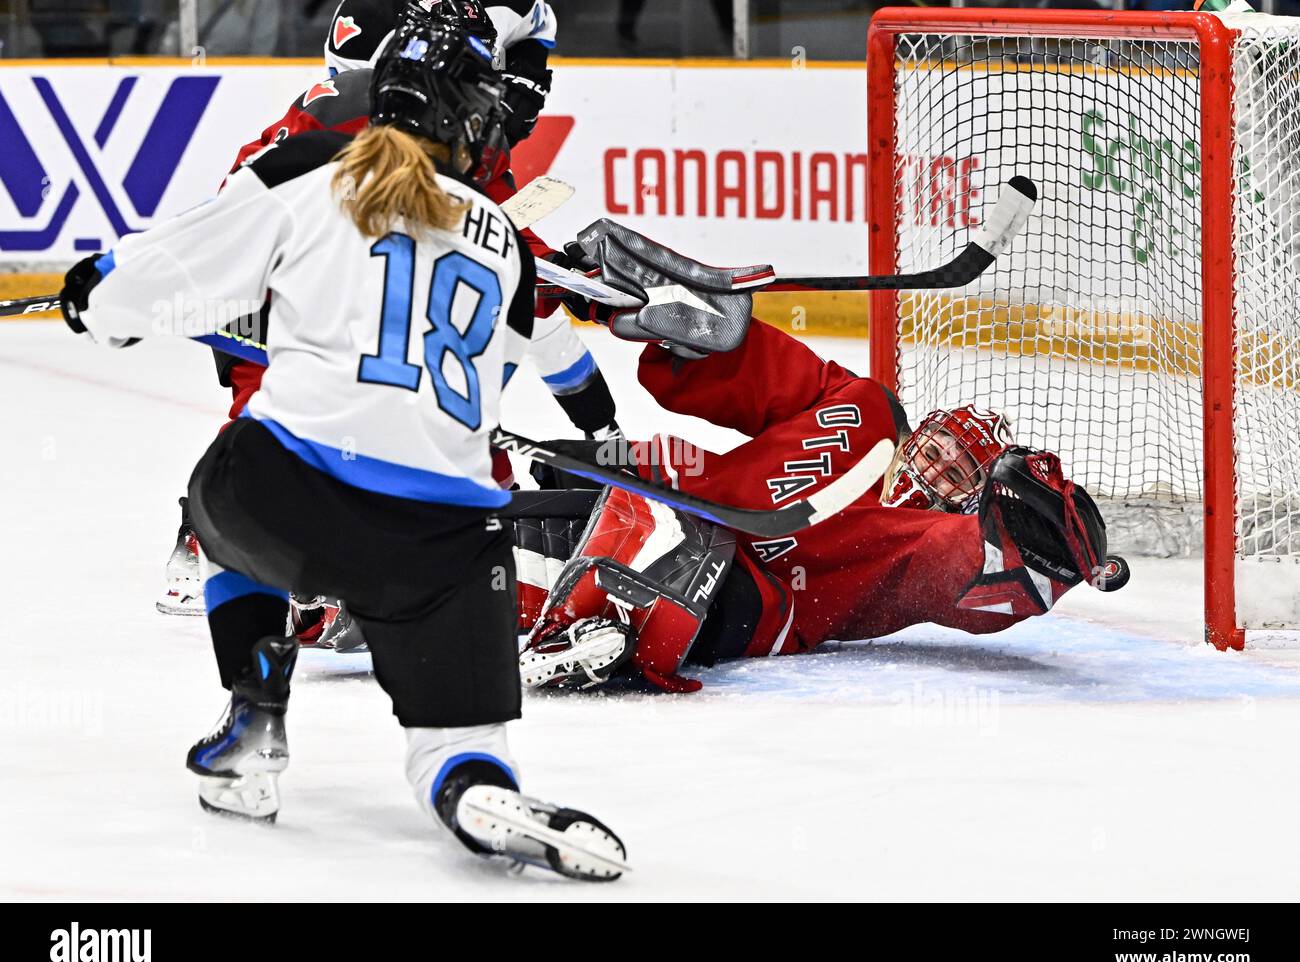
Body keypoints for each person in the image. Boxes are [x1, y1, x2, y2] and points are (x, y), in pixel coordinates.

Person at [59, 12, 626, 881]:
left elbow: (148, 287)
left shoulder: (302, 170)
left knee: (222, 490)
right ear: (473, 118)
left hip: (290, 496)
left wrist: (95, 300)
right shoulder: (507, 241)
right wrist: (597, 409)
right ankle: (471, 784)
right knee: (460, 748)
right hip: (452, 543)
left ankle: (255, 718)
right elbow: (492, 375)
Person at [157, 0, 620, 617]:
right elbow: (242, 208)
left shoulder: (469, 130)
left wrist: (600, 414)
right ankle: (212, 543)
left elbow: (523, 284)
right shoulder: (339, 113)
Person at [507, 224, 1113, 693]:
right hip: (660, 501)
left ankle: (595, 619)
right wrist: (685, 331)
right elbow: (776, 379)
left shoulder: (923, 540)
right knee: (522, 487)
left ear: (969, 502)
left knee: (495, 552)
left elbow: (986, 580)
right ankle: (587, 599)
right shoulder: (865, 420)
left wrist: (1055, 535)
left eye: (954, 474)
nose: (931, 471)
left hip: (734, 594)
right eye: (936, 451)